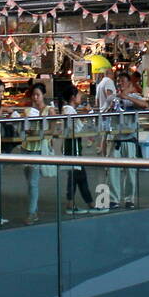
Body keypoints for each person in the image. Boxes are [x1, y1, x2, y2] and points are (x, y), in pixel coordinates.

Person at [107, 71, 148, 208]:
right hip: (115, 139)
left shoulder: (134, 97)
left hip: (129, 138)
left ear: (129, 83)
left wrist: (127, 97)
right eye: (118, 81)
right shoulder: (113, 98)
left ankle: (129, 198)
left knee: (130, 171)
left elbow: (144, 105)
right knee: (112, 171)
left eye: (123, 81)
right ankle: (113, 199)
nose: (120, 84)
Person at [56, 86, 94, 214]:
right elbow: (76, 128)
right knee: (78, 175)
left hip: (72, 145)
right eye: (78, 95)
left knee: (75, 176)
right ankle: (88, 203)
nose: (80, 98)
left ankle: (75, 204)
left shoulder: (69, 109)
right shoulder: (69, 110)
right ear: (73, 97)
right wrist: (85, 116)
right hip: (72, 147)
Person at [21, 81, 51, 223]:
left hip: (38, 149)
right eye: (33, 95)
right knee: (29, 182)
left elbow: (54, 128)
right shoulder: (28, 111)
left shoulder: (49, 110)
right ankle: (34, 208)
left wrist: (40, 132)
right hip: (26, 148)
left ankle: (31, 212)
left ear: (43, 95)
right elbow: (24, 128)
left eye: (38, 95)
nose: (35, 98)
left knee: (33, 182)